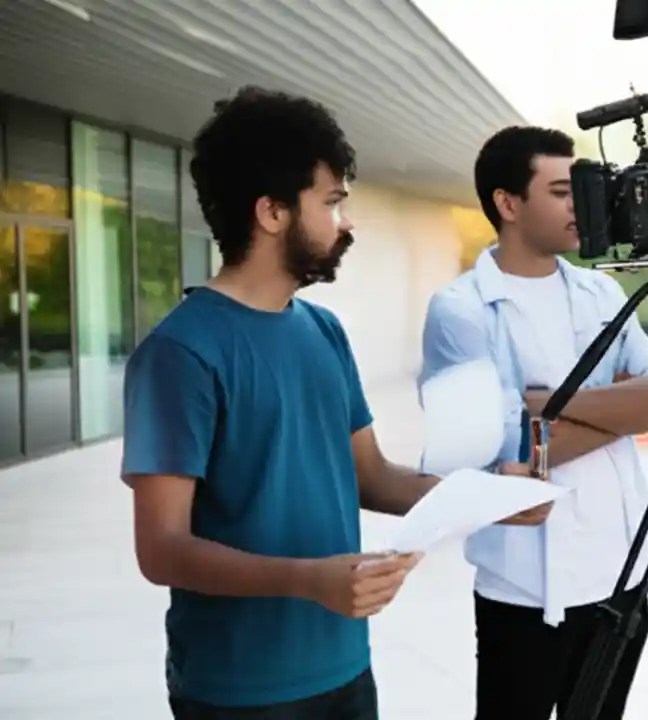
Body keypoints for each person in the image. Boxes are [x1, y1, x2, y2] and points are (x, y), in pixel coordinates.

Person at [121, 86, 540, 720]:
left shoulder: (322, 331)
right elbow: (161, 550)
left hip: (344, 668)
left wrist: (492, 496)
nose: (346, 223)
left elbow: (370, 476)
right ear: (272, 213)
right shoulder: (180, 352)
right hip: (238, 690)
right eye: (332, 202)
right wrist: (307, 579)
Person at [419, 125, 648, 720]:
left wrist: (544, 404)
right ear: (508, 204)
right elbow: (492, 452)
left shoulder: (600, 291)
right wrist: (617, 410)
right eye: (563, 192)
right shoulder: (460, 310)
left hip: (620, 580)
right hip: (523, 592)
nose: (581, 207)